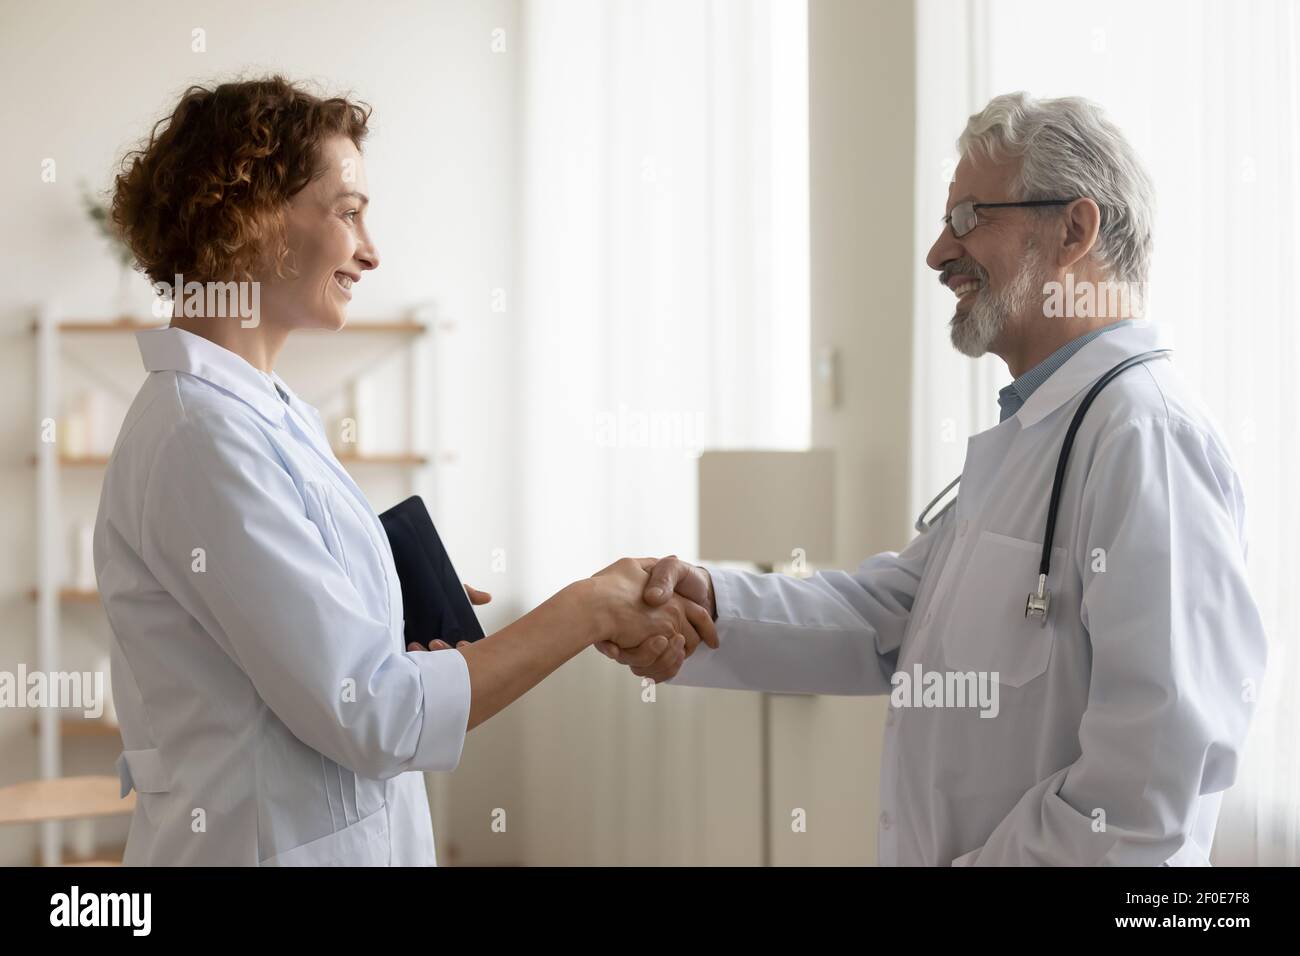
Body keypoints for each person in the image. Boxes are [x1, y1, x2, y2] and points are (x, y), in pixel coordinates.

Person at [607, 92, 1269, 866]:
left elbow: (1146, 795)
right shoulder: (1041, 428)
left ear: (1075, 231)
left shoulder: (1146, 436)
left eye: (967, 219)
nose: (936, 254)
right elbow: (895, 616)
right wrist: (706, 602)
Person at [94, 75, 714, 866]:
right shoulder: (202, 438)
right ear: (248, 218)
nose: (371, 250)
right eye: (347, 212)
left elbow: (303, 652)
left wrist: (382, 591)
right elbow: (374, 714)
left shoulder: (259, 412)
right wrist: (590, 607)